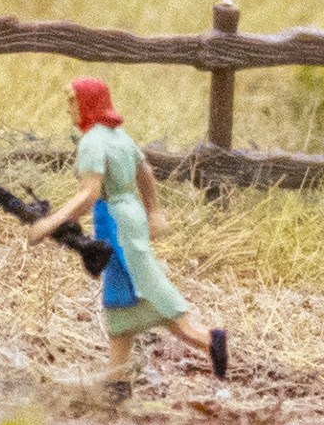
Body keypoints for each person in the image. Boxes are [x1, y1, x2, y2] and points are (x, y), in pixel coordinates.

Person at [61, 75, 227, 393]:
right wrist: (152, 210)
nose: (69, 108)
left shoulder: (94, 141)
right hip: (121, 215)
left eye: (73, 101)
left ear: (87, 103)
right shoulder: (118, 136)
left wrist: (52, 221)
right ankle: (117, 379)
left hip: (116, 220)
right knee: (118, 296)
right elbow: (145, 170)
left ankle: (206, 339)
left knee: (146, 283)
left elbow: (89, 193)